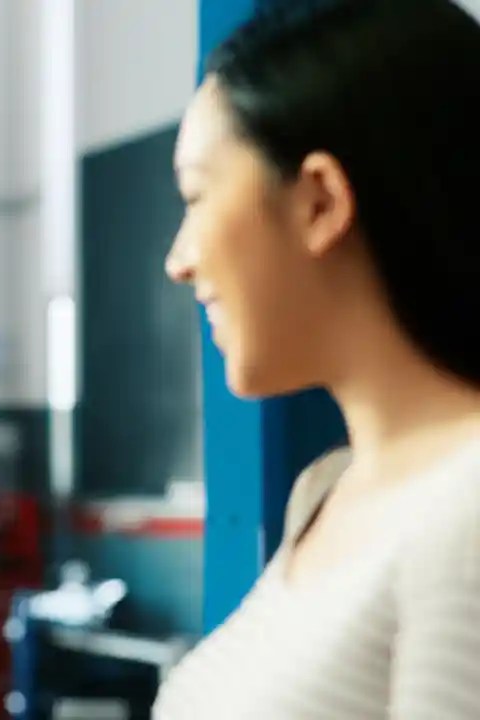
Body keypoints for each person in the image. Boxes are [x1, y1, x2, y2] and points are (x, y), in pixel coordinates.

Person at [154, 0, 480, 717]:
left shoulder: (466, 514)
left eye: (196, 195)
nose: (178, 260)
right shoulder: (327, 493)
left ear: (320, 203)